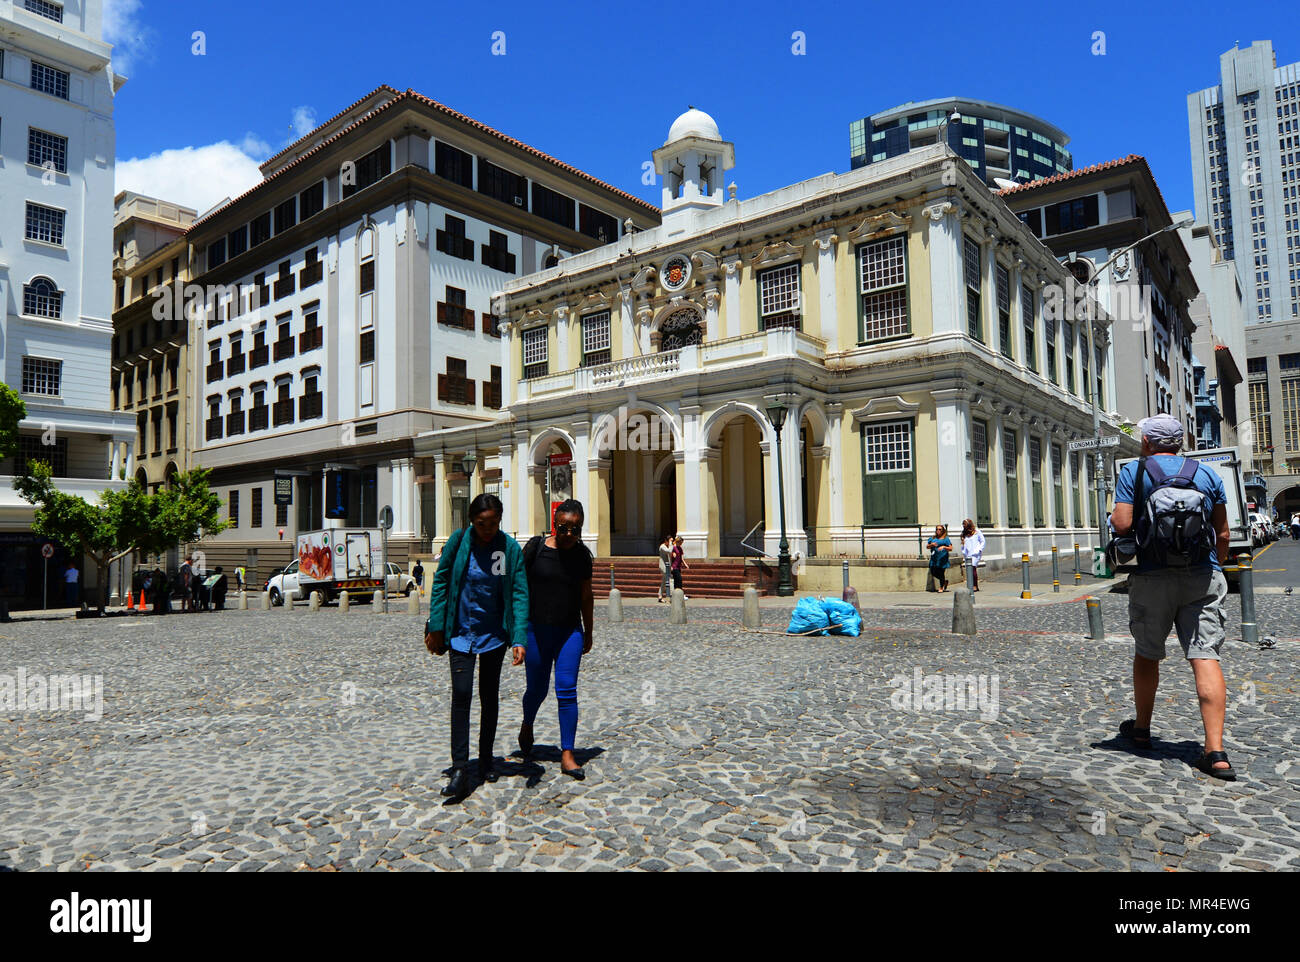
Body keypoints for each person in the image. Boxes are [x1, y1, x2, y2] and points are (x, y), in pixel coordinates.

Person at [1110, 413, 1235, 780]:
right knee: (1205, 656)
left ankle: (1143, 729)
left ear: (1147, 442)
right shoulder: (1207, 474)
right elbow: (1223, 532)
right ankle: (1215, 751)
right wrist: (1215, 566)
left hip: (1151, 576)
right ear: (1180, 443)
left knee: (1148, 654)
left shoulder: (1135, 472)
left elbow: (1121, 523)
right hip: (1201, 575)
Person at [423, 494, 529, 800]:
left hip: (494, 634)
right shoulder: (459, 543)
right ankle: (459, 767)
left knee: (489, 696)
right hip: (460, 632)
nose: (487, 529)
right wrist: (437, 626)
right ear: (472, 521)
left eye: (493, 523)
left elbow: (519, 592)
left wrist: (519, 638)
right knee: (462, 694)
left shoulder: (506, 549)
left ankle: (485, 759)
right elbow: (441, 582)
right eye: (482, 523)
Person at [518, 499, 594, 779]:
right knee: (537, 691)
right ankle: (527, 723)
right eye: (564, 528)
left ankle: (568, 753)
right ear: (555, 525)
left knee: (567, 689)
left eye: (575, 529)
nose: (569, 535)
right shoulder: (535, 549)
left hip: (569, 632)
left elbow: (587, 596)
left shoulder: (582, 556)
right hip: (536, 631)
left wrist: (589, 630)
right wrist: (516, 632)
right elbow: (519, 588)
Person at [959, 519, 984, 591]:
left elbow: (983, 541)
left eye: (965, 524)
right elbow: (963, 543)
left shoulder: (977, 532)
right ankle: (971, 584)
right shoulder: (964, 533)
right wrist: (963, 549)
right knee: (969, 569)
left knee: (973, 568)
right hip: (968, 553)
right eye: (963, 524)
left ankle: (975, 585)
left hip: (975, 553)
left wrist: (979, 550)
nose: (964, 525)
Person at [926, 525, 952, 592]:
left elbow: (950, 548)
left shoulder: (946, 539)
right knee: (933, 572)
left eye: (940, 529)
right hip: (934, 558)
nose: (938, 531)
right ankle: (944, 582)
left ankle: (941, 587)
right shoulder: (932, 538)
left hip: (942, 558)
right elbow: (927, 546)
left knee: (941, 572)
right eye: (937, 529)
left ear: (943, 530)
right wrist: (932, 545)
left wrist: (944, 547)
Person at [670, 535, 689, 600]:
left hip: (678, 567)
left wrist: (685, 564)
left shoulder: (680, 548)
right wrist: (672, 555)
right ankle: (680, 594)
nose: (681, 544)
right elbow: (670, 556)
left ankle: (676, 595)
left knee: (677, 581)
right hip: (674, 567)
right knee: (679, 580)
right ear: (678, 541)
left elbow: (682, 558)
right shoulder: (673, 548)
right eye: (680, 542)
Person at [656, 534, 672, 603]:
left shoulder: (668, 546)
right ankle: (670, 595)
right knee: (668, 579)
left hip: (667, 566)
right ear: (666, 540)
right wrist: (671, 545)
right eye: (670, 541)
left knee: (664, 581)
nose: (670, 542)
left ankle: (660, 595)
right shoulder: (662, 546)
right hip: (663, 566)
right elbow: (669, 551)